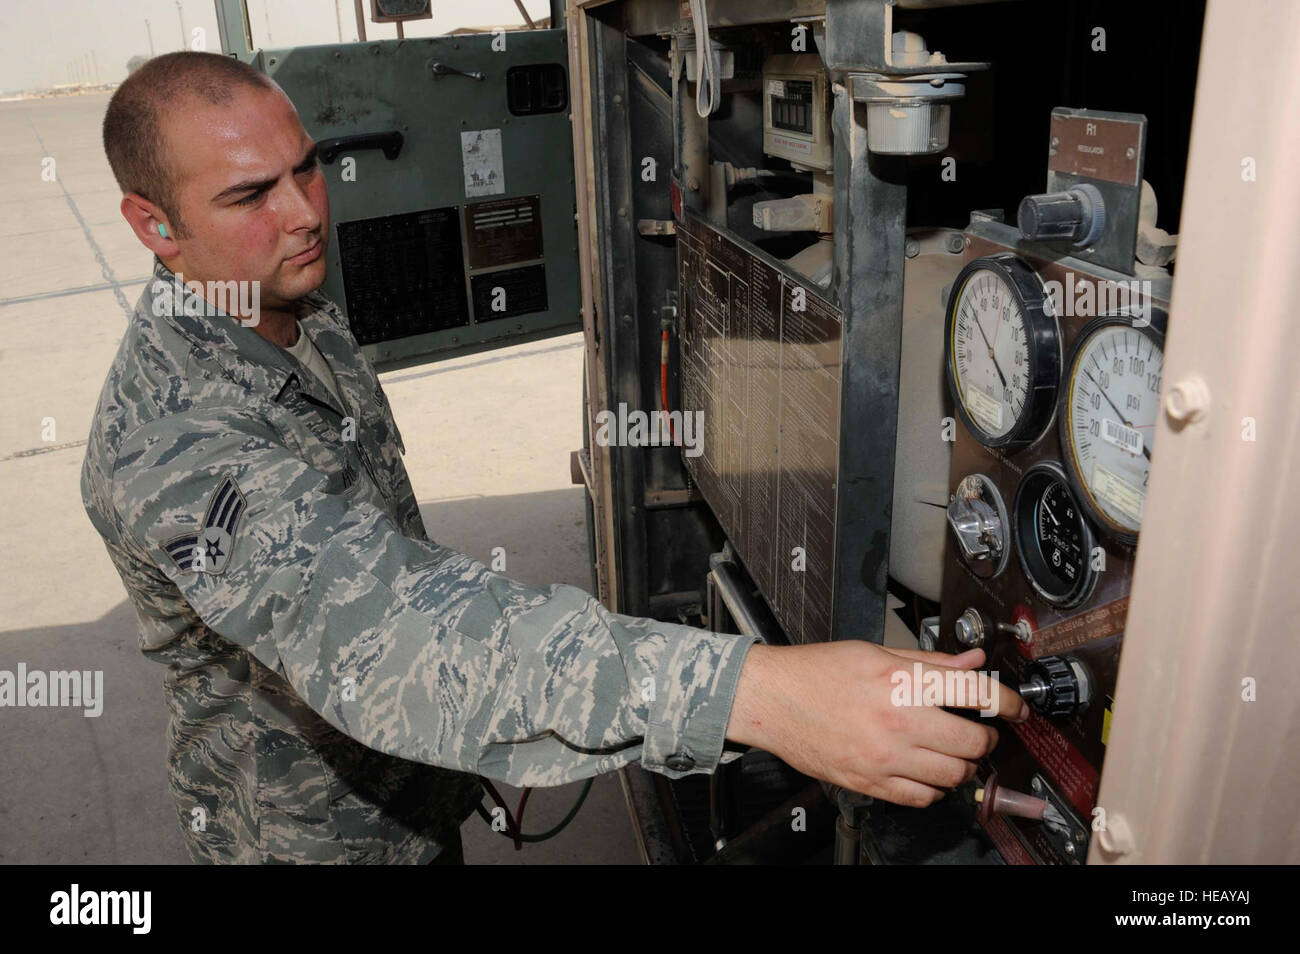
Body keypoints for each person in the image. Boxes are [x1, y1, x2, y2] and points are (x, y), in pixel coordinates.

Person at [81, 51, 1026, 864]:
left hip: (405, 797)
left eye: (308, 168)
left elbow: (382, 555)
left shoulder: (285, 307)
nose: (303, 214)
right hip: (309, 838)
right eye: (251, 194)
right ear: (153, 225)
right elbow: (385, 639)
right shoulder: (174, 443)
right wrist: (765, 698)